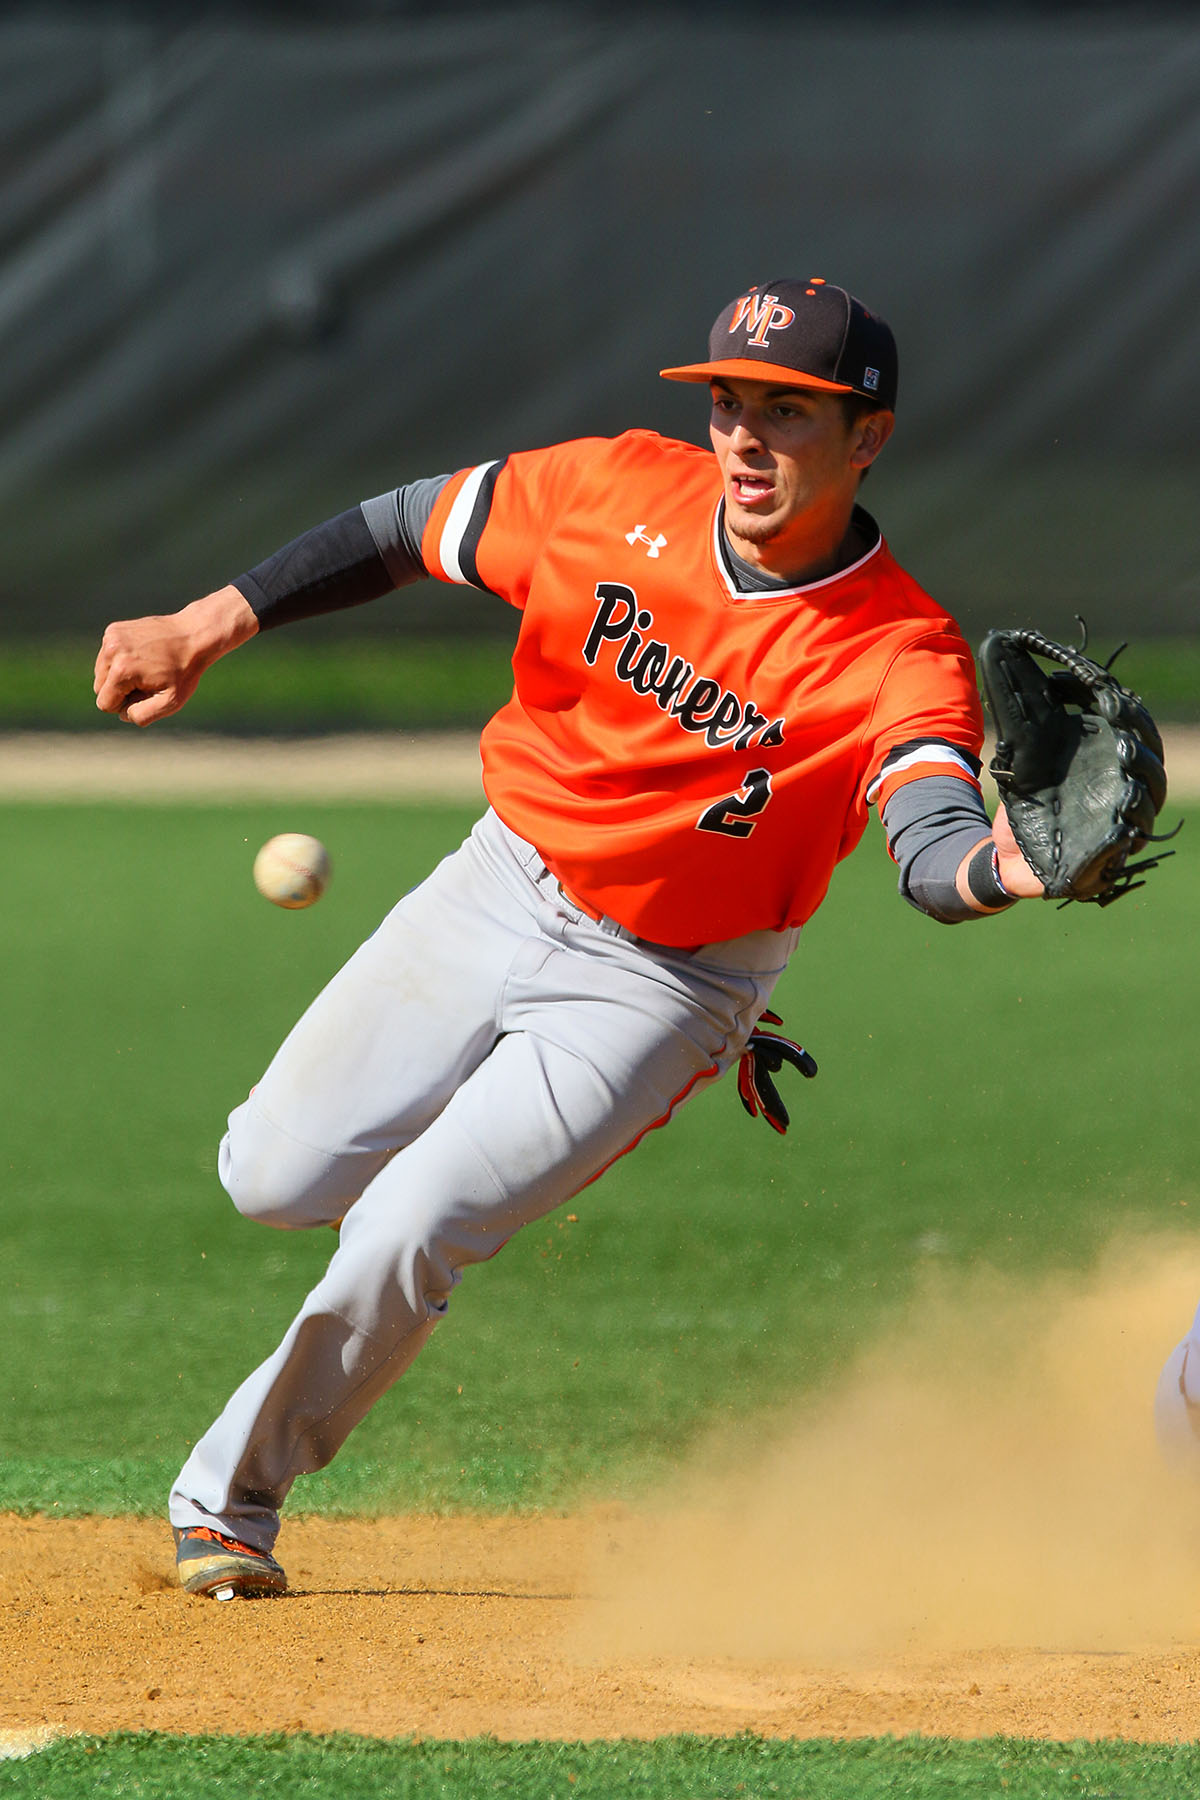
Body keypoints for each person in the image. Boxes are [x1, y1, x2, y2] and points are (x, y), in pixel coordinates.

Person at [94, 277, 1045, 1599]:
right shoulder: (612, 490)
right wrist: (210, 621)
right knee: (272, 1176)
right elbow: (403, 526)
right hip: (501, 878)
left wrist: (1014, 862)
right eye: (729, 404)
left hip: (663, 986)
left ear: (867, 437)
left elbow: (935, 854)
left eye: (791, 411)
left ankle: (230, 1499)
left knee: (417, 1222)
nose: (748, 440)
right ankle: (390, 1243)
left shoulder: (896, 650)